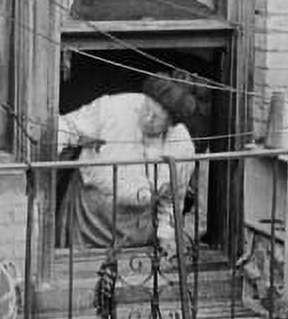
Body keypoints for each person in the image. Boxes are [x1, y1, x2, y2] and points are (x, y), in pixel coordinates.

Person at [55, 73, 199, 257]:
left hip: (136, 234)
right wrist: (53, 143)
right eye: (146, 108)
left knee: (130, 278)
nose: (147, 118)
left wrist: (165, 235)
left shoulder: (182, 147)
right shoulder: (111, 108)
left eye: (156, 118)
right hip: (88, 222)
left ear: (170, 124)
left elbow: (172, 200)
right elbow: (67, 127)